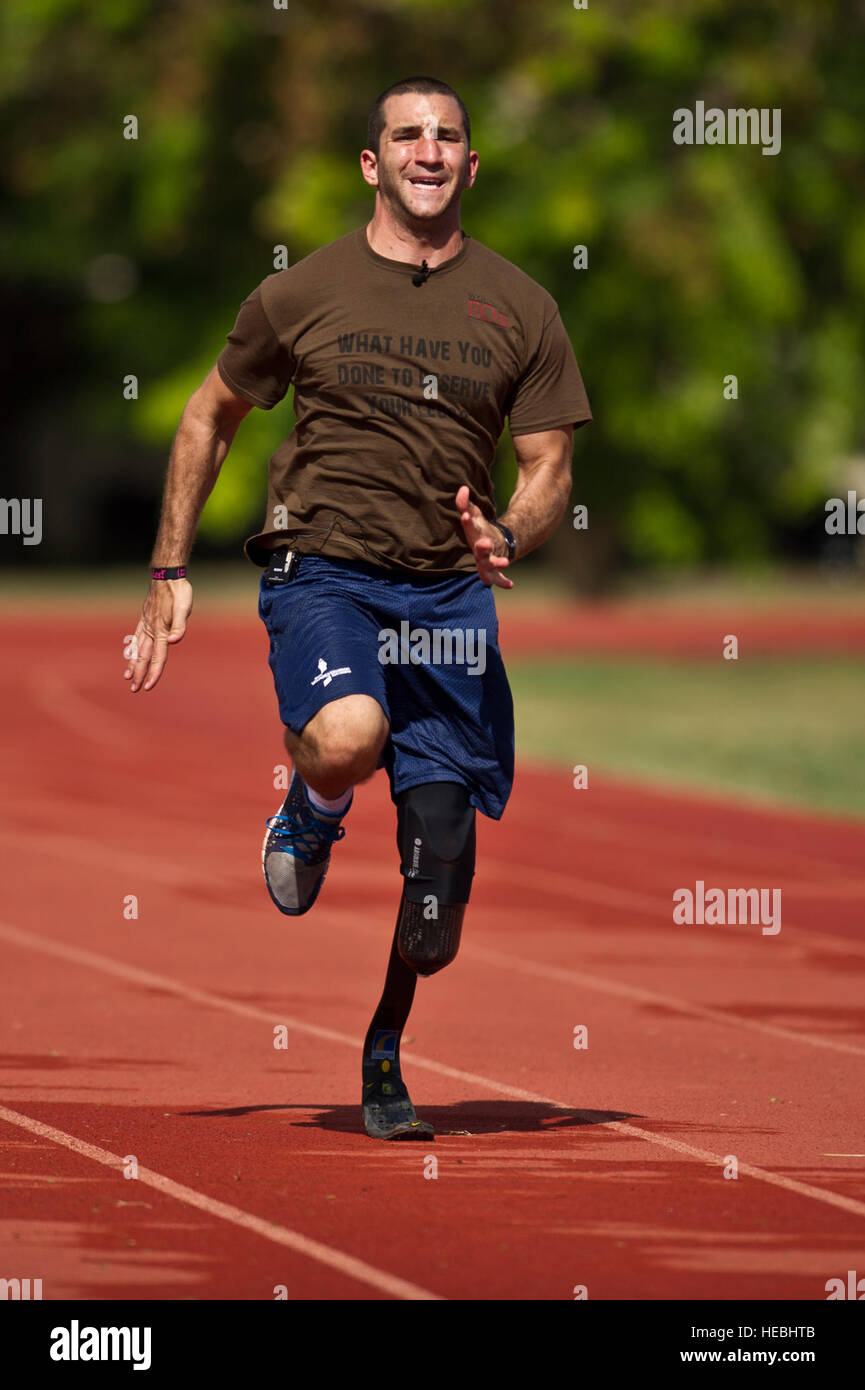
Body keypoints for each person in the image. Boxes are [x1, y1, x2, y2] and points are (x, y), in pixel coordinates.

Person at [124, 76, 592, 1140]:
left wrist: (509, 532)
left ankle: (384, 1052)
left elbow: (550, 464)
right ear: (372, 164)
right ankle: (313, 804)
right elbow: (209, 414)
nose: (427, 151)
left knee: (436, 907)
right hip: (324, 573)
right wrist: (168, 569)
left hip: (448, 600)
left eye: (447, 136)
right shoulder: (300, 292)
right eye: (405, 135)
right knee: (345, 737)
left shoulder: (523, 306)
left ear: (470, 166)